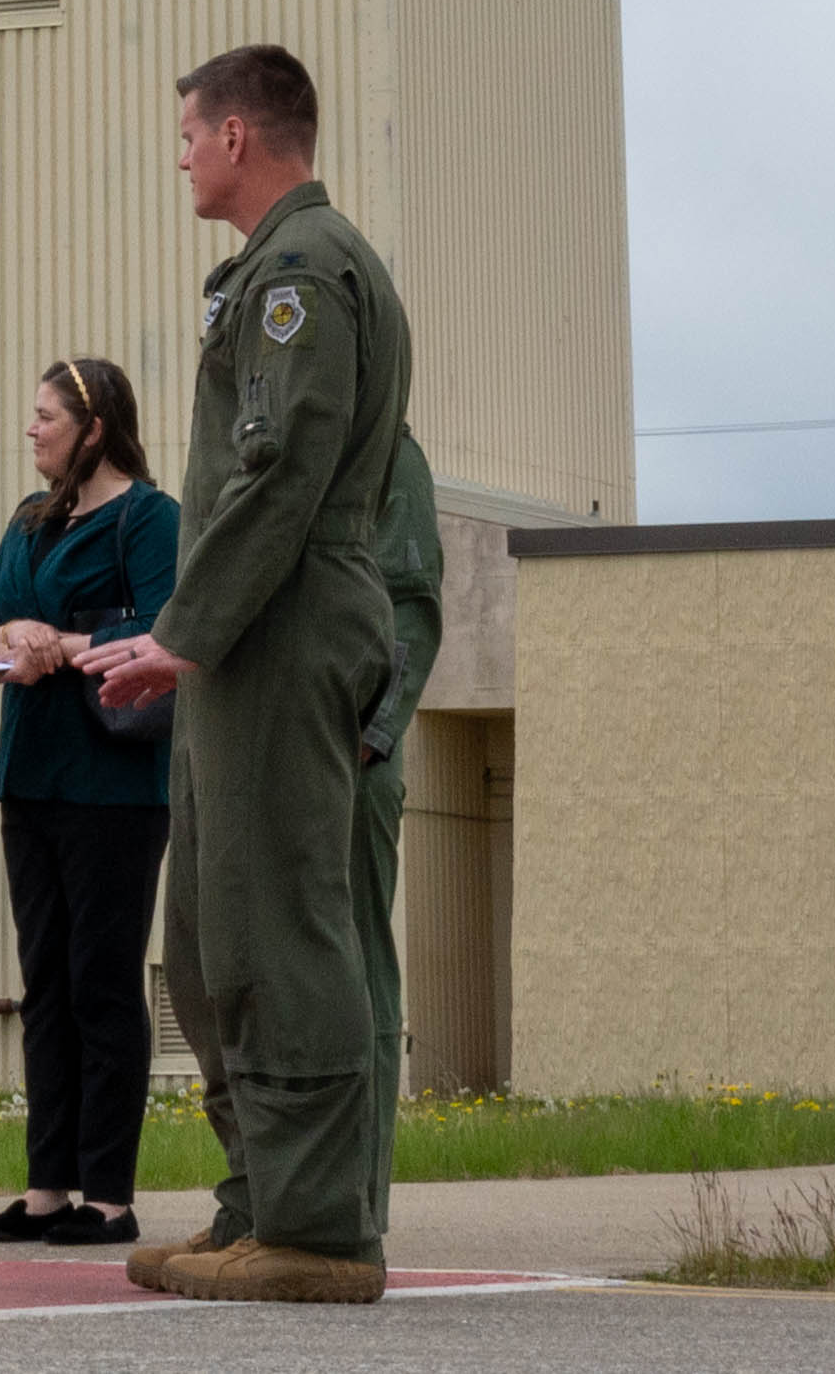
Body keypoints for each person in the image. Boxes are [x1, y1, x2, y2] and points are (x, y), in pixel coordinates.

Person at [83, 42, 411, 1306]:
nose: (178, 155)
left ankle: (321, 1226)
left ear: (235, 137)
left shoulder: (302, 277)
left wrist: (190, 627)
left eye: (187, 133)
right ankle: (258, 1206)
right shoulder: (274, 272)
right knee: (212, 937)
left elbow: (284, 470)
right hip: (246, 632)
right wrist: (191, 634)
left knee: (280, 920)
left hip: (284, 624)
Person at [0, 357, 177, 1247]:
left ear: (94, 430)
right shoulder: (28, 519)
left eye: (47, 416)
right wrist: (9, 633)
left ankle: (110, 1197)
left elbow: (173, 628)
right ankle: (48, 1185)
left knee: (102, 981)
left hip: (113, 784)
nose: (32, 428)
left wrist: (70, 640)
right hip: (32, 776)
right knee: (44, 981)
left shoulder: (150, 518)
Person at [355, 427, 443, 1243]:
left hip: (349, 753)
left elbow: (411, 601)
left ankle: (356, 1206)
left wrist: (370, 731)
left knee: (354, 961)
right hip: (283, 744)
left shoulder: (386, 445)